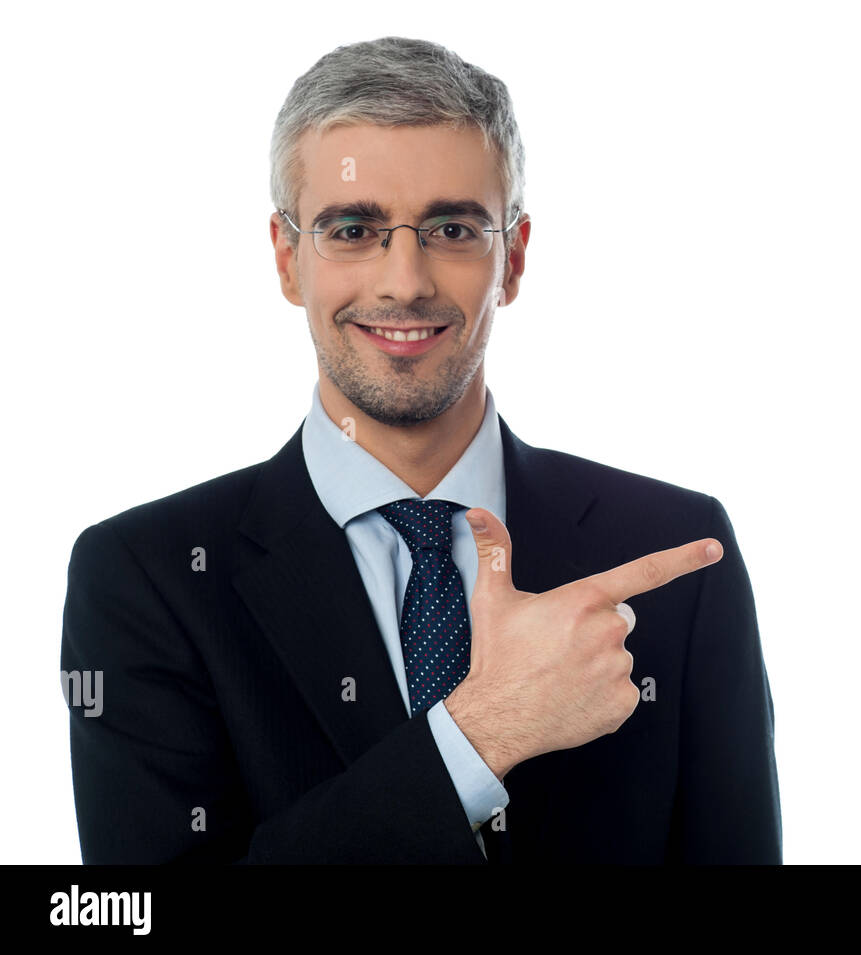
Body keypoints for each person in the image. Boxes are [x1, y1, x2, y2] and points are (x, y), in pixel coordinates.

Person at [60, 36, 780, 864]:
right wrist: (479, 734)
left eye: (451, 226)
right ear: (288, 258)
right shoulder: (145, 576)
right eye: (354, 228)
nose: (404, 281)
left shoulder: (674, 554)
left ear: (513, 258)